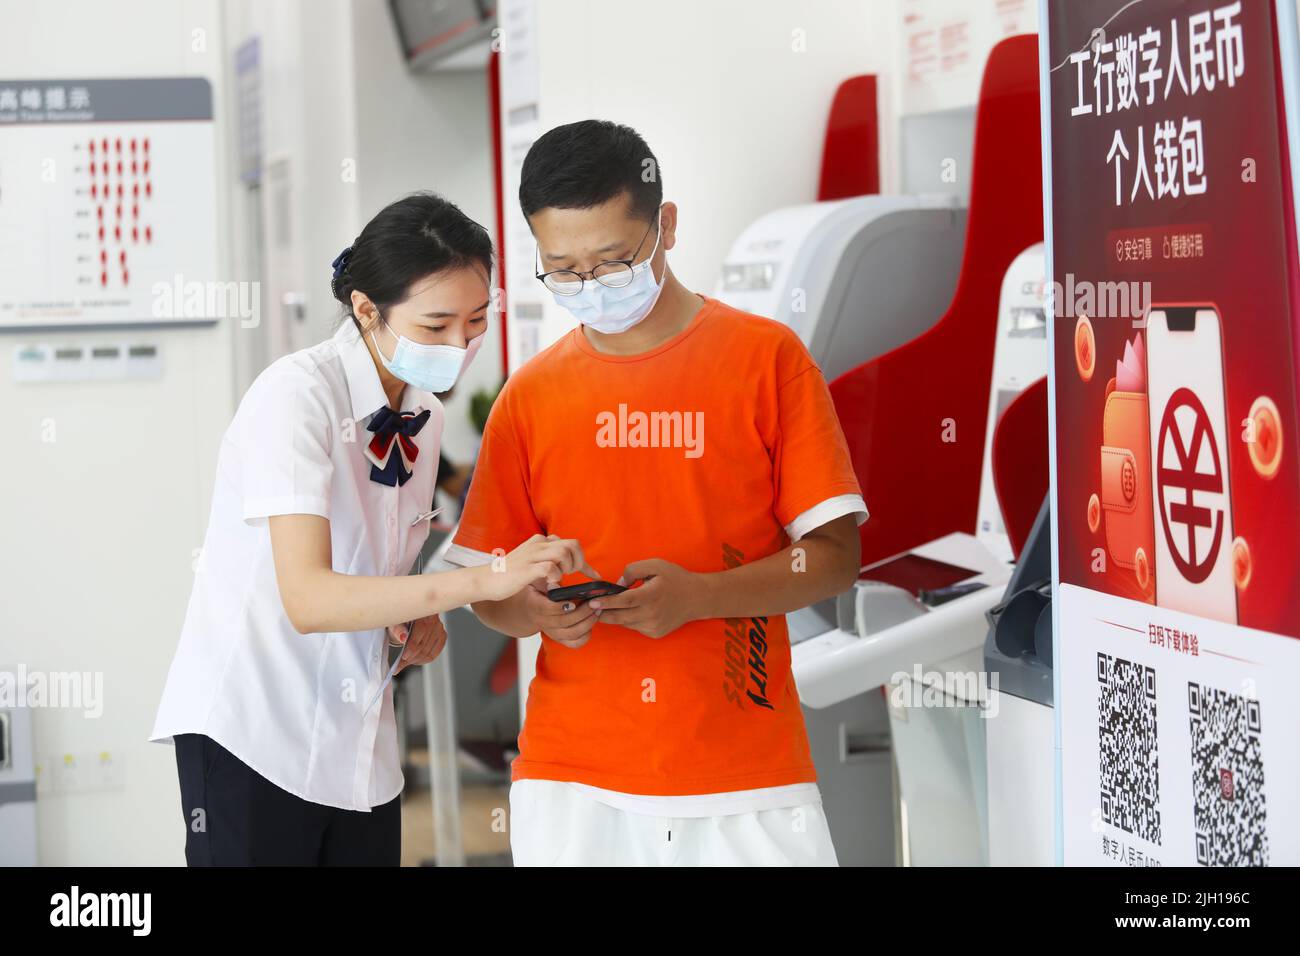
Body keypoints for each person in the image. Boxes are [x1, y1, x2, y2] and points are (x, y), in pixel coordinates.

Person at [442, 121, 867, 866]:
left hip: (743, 775)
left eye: (611, 261)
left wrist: (699, 597)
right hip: (574, 782)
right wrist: (531, 610)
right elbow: (487, 590)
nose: (590, 286)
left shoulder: (766, 362)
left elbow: (831, 561)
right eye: (563, 269)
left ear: (665, 226)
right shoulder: (529, 399)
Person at [150, 192, 592, 866]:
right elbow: (311, 599)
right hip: (255, 731)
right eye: (437, 324)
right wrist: (482, 578)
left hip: (357, 739)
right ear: (366, 309)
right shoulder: (295, 397)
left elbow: (378, 580)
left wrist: (419, 617)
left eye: (475, 324)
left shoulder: (426, 418)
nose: (459, 346)